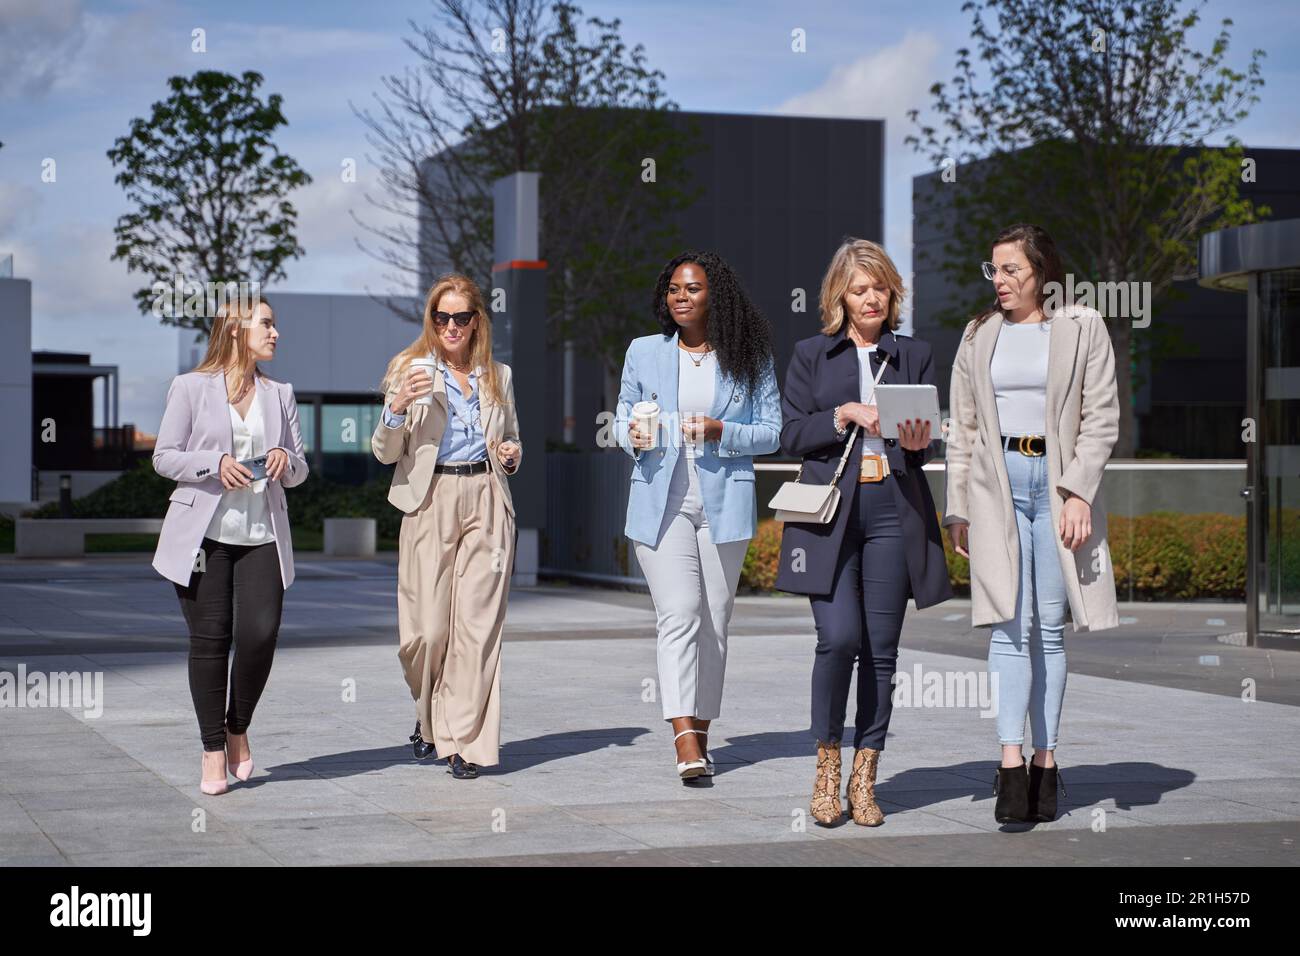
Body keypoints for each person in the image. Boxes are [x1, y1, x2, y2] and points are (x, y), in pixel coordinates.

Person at [943, 223, 1120, 823]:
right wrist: (958, 507)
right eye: (993, 270)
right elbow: (962, 428)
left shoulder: (1081, 327)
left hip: (1057, 484)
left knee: (1047, 627)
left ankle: (1047, 762)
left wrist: (1077, 493)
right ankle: (1010, 764)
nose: (1001, 281)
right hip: (997, 488)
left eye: (1013, 269)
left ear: (1042, 271)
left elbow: (1101, 418)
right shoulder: (978, 335)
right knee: (1004, 625)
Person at [776, 238, 952, 826]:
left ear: (892, 292)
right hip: (829, 512)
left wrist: (920, 439)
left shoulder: (915, 354)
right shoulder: (811, 354)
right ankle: (826, 766)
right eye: (859, 288)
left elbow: (921, 451)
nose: (870, 297)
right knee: (839, 640)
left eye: (879, 287)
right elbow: (792, 434)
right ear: (840, 297)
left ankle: (864, 775)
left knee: (881, 652)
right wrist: (844, 413)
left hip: (891, 507)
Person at [615, 250, 781, 782]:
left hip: (724, 503)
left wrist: (719, 431)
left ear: (717, 295)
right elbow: (620, 420)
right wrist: (631, 435)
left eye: (692, 289)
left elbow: (772, 432)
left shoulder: (749, 356)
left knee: (715, 623)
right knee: (681, 611)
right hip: (660, 501)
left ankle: (702, 735)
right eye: (673, 290)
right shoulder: (644, 352)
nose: (680, 297)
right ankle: (684, 737)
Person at [152, 297, 308, 795]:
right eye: (266, 323)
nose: (275, 332)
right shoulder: (190, 388)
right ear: (236, 330)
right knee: (210, 642)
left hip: (262, 536)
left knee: (261, 635)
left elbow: (301, 470)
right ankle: (212, 748)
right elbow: (164, 457)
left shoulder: (280, 393)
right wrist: (213, 464)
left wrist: (286, 456)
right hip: (203, 539)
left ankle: (237, 726)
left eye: (274, 324)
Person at [372, 273, 521, 779]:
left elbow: (512, 439)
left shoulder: (498, 375)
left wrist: (511, 453)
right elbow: (386, 452)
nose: (451, 326)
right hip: (429, 498)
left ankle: (464, 743)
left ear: (476, 320)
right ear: (431, 322)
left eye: (461, 317)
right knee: (428, 632)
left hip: (486, 499)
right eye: (442, 317)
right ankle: (426, 718)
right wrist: (395, 409)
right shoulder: (409, 370)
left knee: (476, 632)